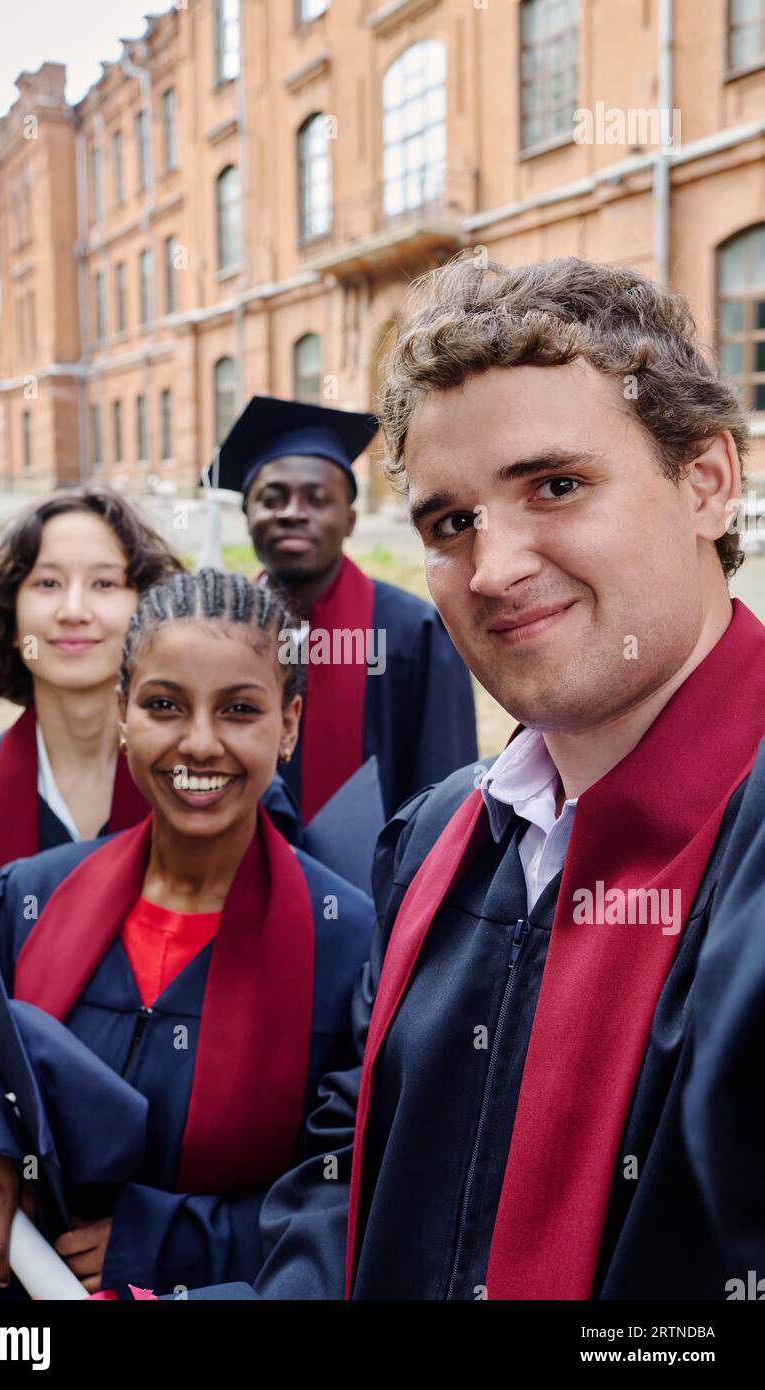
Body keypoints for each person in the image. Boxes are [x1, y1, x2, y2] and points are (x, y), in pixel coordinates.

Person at [183, 255, 765, 1300]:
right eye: (451, 522)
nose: (492, 569)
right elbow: (346, 1155)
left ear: (705, 483)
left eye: (555, 485)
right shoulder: (439, 835)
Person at [0, 570, 374, 1298]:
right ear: (123, 712)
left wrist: (172, 1243)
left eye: (240, 710)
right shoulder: (28, 897)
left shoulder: (350, 947)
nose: (200, 743)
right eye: (163, 705)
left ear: (290, 725)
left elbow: (349, 1193)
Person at [216, 396, 478, 822]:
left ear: (350, 520)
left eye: (317, 500)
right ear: (247, 515)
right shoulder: (217, 631)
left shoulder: (413, 634)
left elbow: (445, 790)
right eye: (271, 499)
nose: (292, 514)